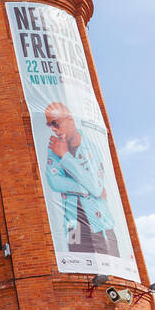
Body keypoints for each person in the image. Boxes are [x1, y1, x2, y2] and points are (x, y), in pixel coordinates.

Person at [43, 100, 120, 257]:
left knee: (107, 276)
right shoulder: (54, 149)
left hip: (100, 227)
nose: (53, 129)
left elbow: (96, 186)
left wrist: (64, 156)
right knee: (79, 274)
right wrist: (84, 189)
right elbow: (54, 181)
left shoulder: (90, 147)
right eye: (49, 125)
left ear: (70, 120)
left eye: (56, 123)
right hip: (74, 228)